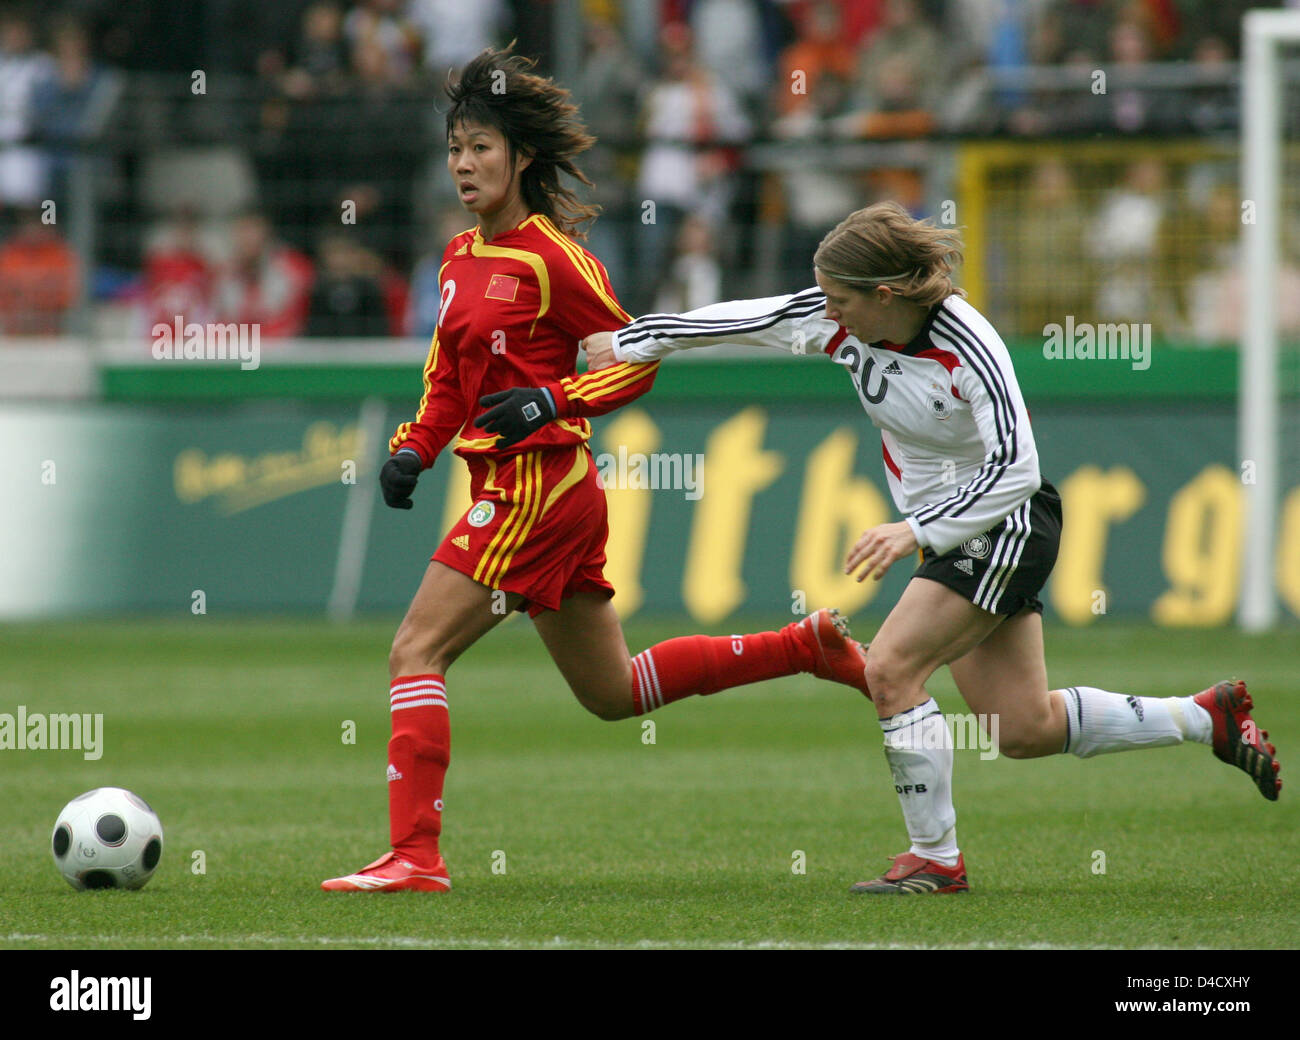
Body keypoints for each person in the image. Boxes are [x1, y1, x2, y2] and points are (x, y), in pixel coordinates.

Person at [579, 200, 1283, 894]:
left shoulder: (967, 342)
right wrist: (637, 340)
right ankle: (1205, 717)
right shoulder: (839, 317)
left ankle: (934, 859)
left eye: (839, 300)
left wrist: (913, 531)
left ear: (884, 295)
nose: (827, 313)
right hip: (953, 534)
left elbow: (1018, 470)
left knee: (889, 668)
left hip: (1003, 523)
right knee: (1021, 727)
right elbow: (745, 318)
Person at [321, 46, 871, 894]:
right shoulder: (459, 259)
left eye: (481, 148)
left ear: (521, 157)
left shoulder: (556, 260)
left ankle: (414, 856)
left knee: (413, 650)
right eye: (455, 149)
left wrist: (553, 399)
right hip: (517, 489)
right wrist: (412, 449)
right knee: (614, 693)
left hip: (540, 485)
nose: (464, 165)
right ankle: (803, 647)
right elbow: (448, 381)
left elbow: (637, 359)